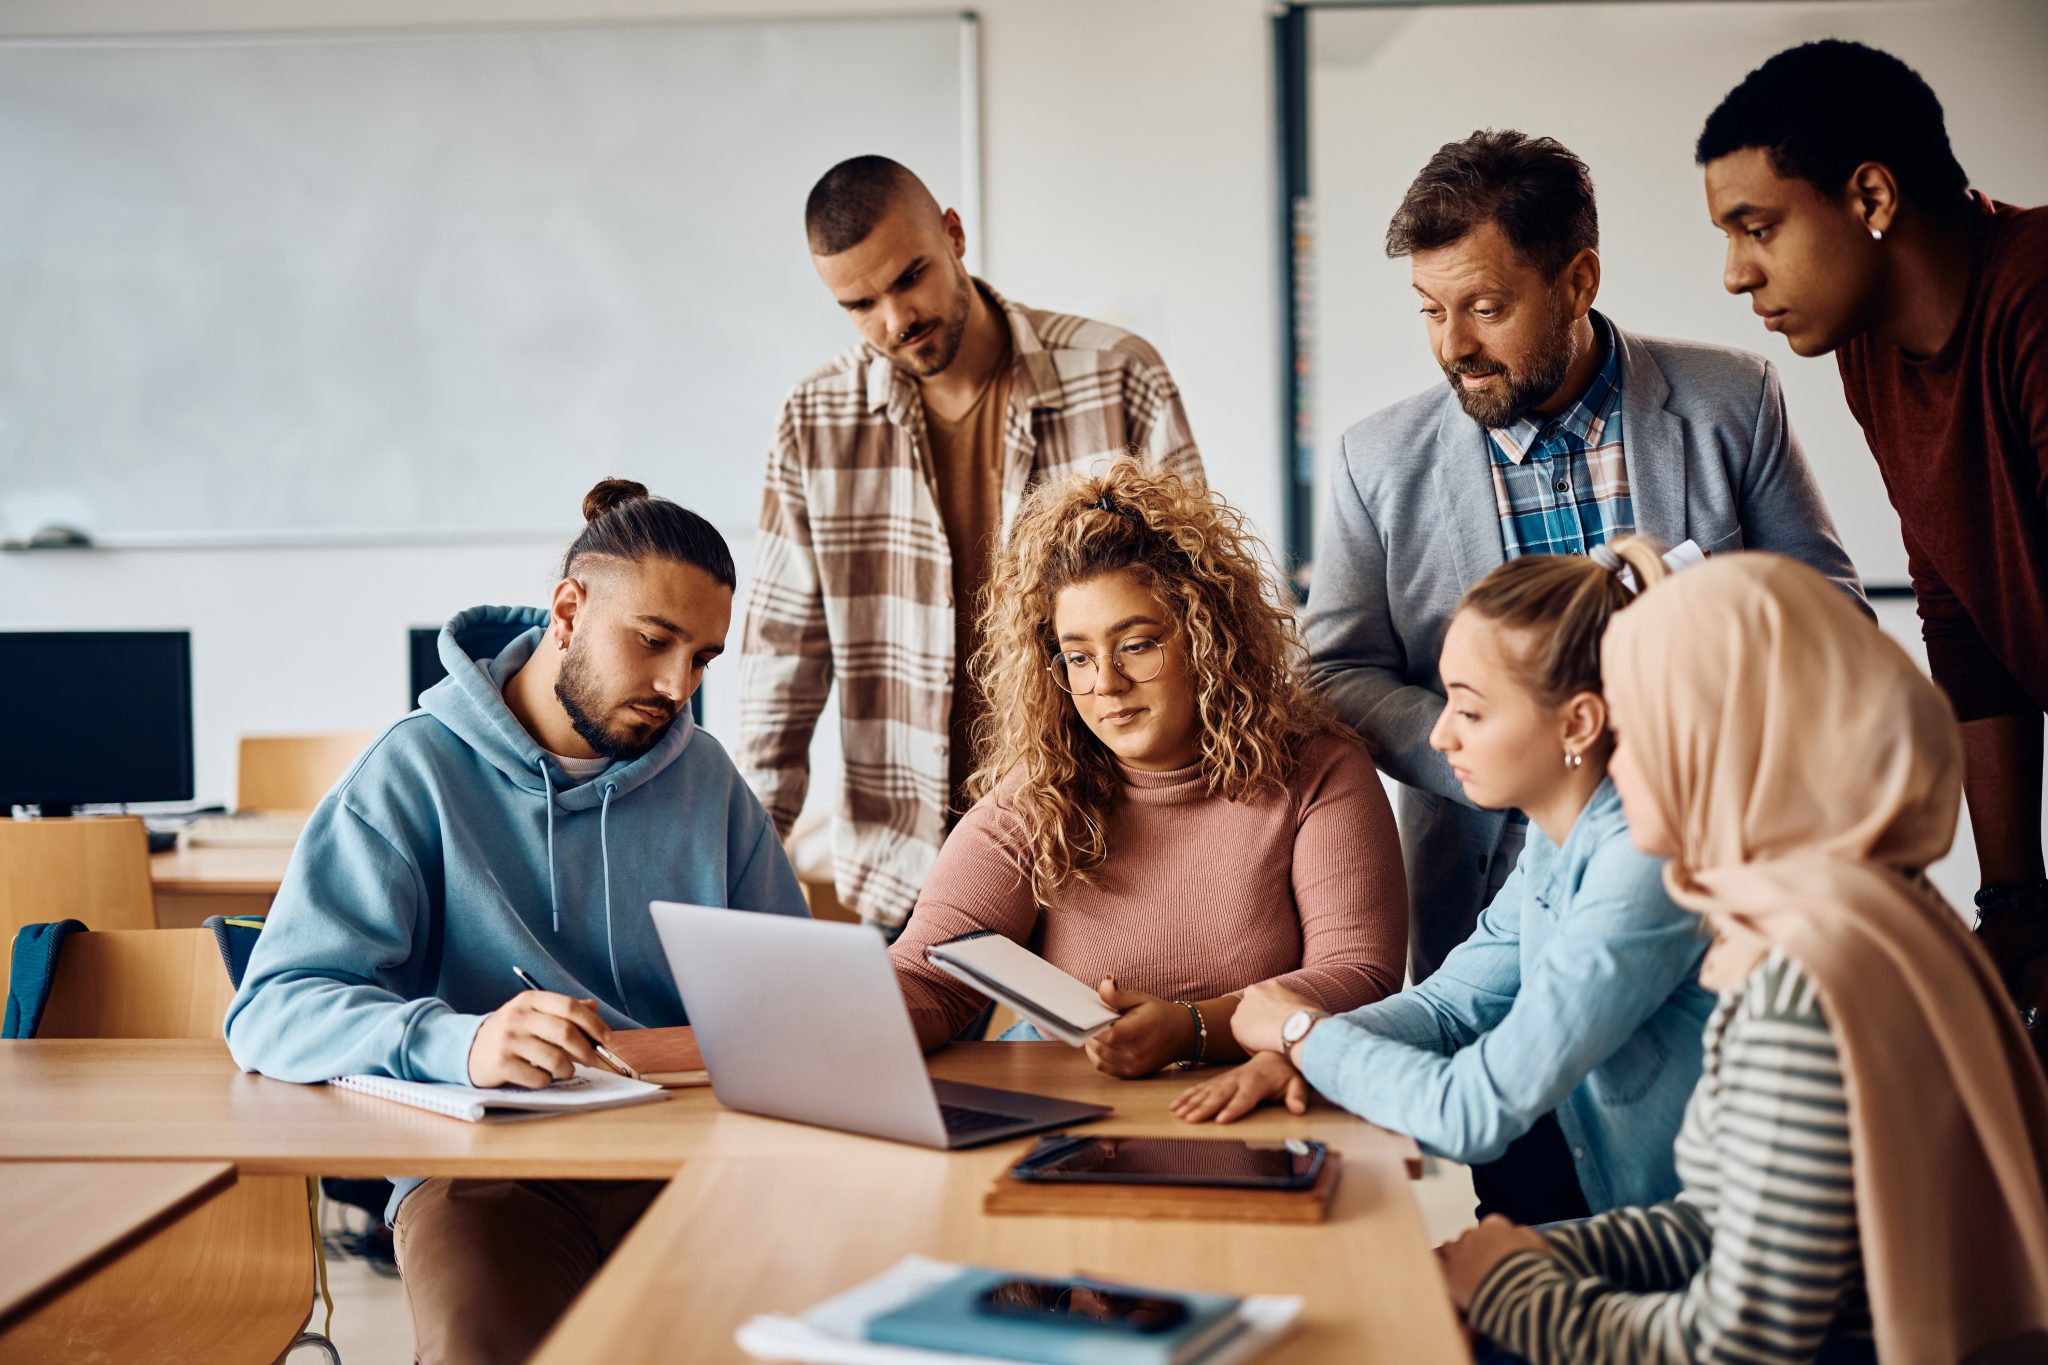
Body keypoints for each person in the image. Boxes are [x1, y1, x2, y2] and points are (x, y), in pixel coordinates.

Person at [225, 479, 808, 1365]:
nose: (675, 685)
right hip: (486, 1169)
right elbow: (272, 1007)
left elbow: (796, 1000)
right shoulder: (412, 771)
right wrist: (459, 1044)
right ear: (569, 609)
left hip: (694, 1153)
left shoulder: (709, 781)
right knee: (483, 1348)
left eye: (702, 659)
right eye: (654, 641)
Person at [1442, 553, 2048, 1365]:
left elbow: (1742, 1340)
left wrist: (1512, 1289)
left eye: (1640, 731)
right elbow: (1729, 1216)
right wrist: (1555, 1253)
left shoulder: (1801, 979)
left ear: (1728, 744)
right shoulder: (1870, 908)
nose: (1614, 764)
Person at [1307, 128, 1866, 988]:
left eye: (1486, 307)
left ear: (1579, 282)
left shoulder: (1734, 401)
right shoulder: (1372, 461)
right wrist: (1492, 753)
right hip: (1492, 916)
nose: (1453, 344)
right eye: (1429, 307)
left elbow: (1831, 623)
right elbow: (1337, 673)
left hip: (1727, 885)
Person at [1183, 536, 1715, 1227]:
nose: (1438, 738)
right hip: (1638, 1236)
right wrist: (1304, 1055)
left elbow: (1475, 1110)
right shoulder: (1559, 842)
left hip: (1717, 1280)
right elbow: (1447, 1009)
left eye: (1469, 708)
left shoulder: (1644, 863)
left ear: (1579, 722)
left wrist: (1302, 1033)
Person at [738, 155, 1205, 934]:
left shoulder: (1117, 375)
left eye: (909, 278)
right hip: (905, 867)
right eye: (860, 304)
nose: (896, 319)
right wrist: (745, 869)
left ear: (953, 234)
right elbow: (782, 658)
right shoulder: (815, 419)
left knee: (1085, 1059)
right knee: (900, 1063)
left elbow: (1199, 610)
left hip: (1096, 853)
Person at [1697, 40, 2048, 1034]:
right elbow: (1961, 622)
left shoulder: (2033, 296)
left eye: (1753, 227)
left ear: (1870, 197)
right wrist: (2013, 901)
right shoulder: (1868, 352)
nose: (1732, 275)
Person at [888, 460, 1406, 1078]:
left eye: (1136, 645)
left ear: (1209, 635)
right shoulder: (1038, 795)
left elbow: (1360, 974)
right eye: (1078, 657)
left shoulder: (1317, 770)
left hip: (1259, 1113)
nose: (1105, 683)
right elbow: (928, 976)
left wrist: (1193, 1027)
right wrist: (846, 1012)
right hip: (1082, 1130)